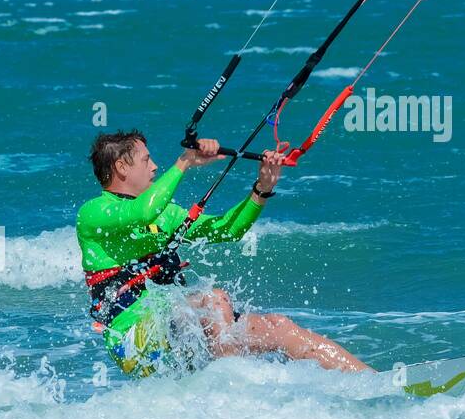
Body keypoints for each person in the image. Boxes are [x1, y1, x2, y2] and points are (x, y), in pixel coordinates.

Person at [76, 129, 373, 377]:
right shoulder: (94, 212)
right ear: (121, 167)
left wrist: (262, 188)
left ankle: (373, 382)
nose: (154, 167)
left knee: (278, 327)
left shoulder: (165, 216)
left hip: (175, 328)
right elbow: (141, 212)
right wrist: (184, 162)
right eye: (146, 160)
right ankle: (235, 393)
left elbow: (229, 230)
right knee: (212, 299)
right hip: (132, 343)